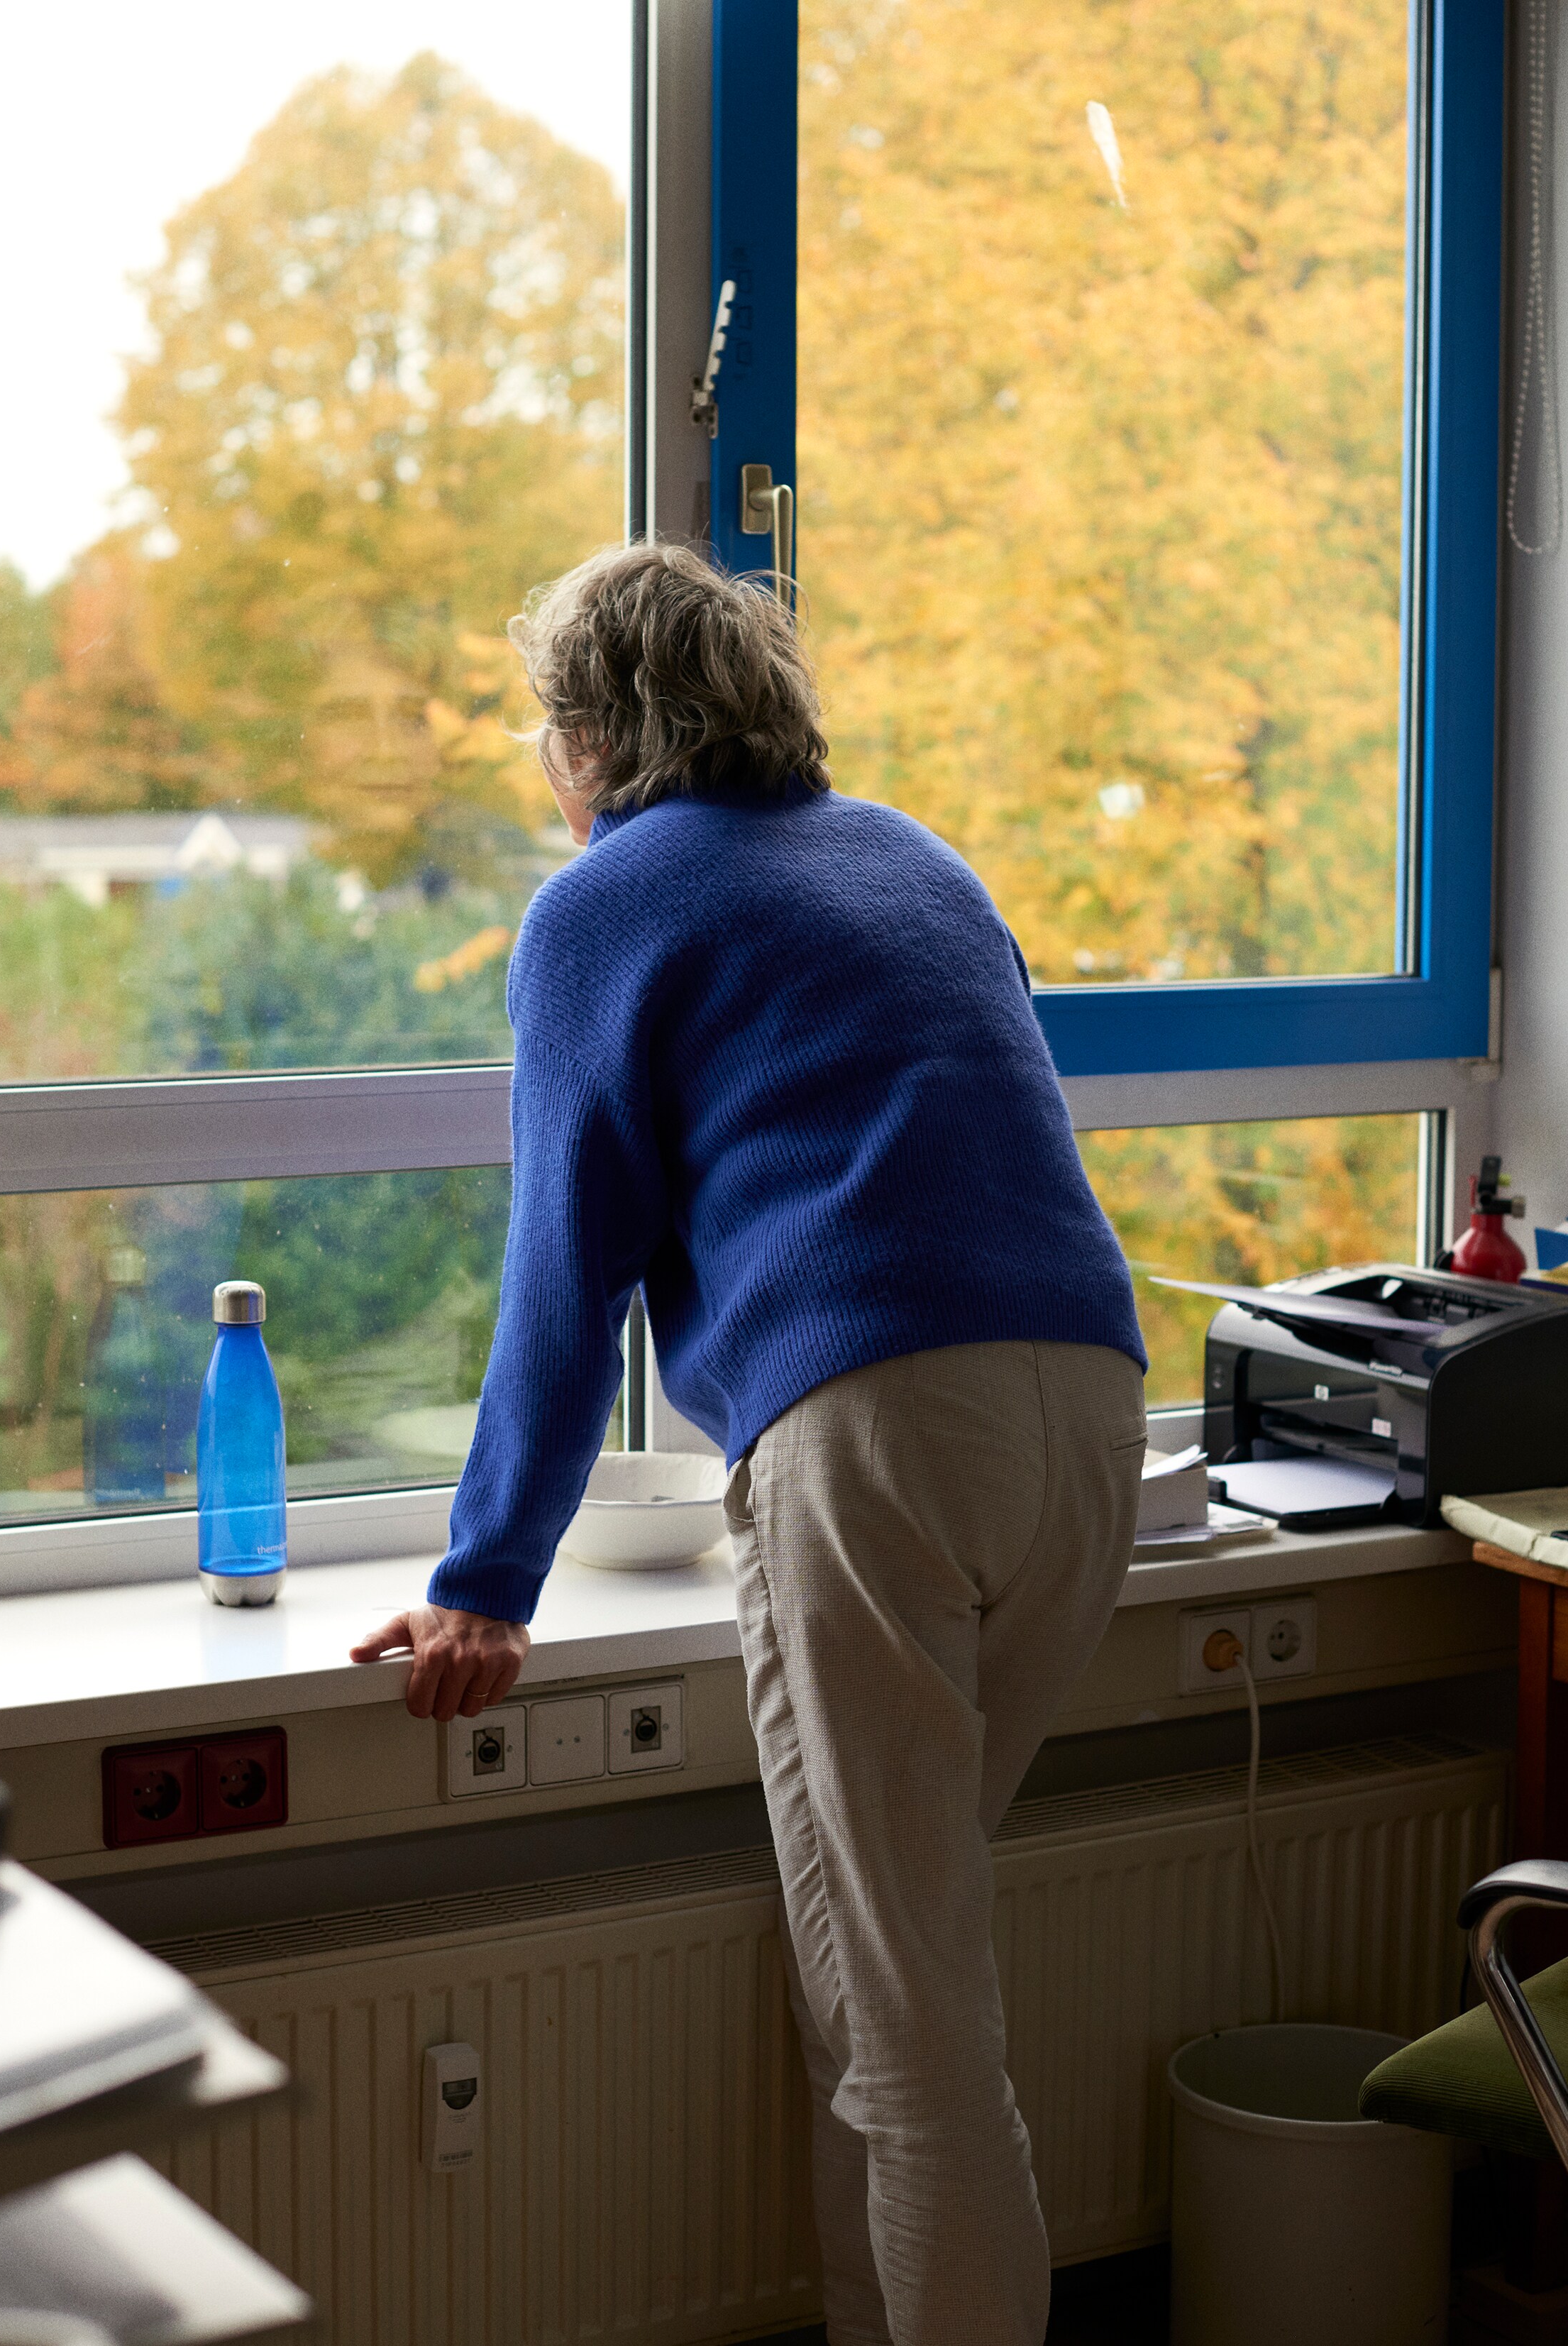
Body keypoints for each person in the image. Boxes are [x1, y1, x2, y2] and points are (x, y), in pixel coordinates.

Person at [351, 541, 1147, 2346]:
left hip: (877, 1430)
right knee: (878, 1980)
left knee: (913, 2036)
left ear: (589, 733)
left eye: (545, 728)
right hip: (1091, 1404)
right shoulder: (915, 859)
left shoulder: (604, 903)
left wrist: (487, 1581)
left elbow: (565, 1263)